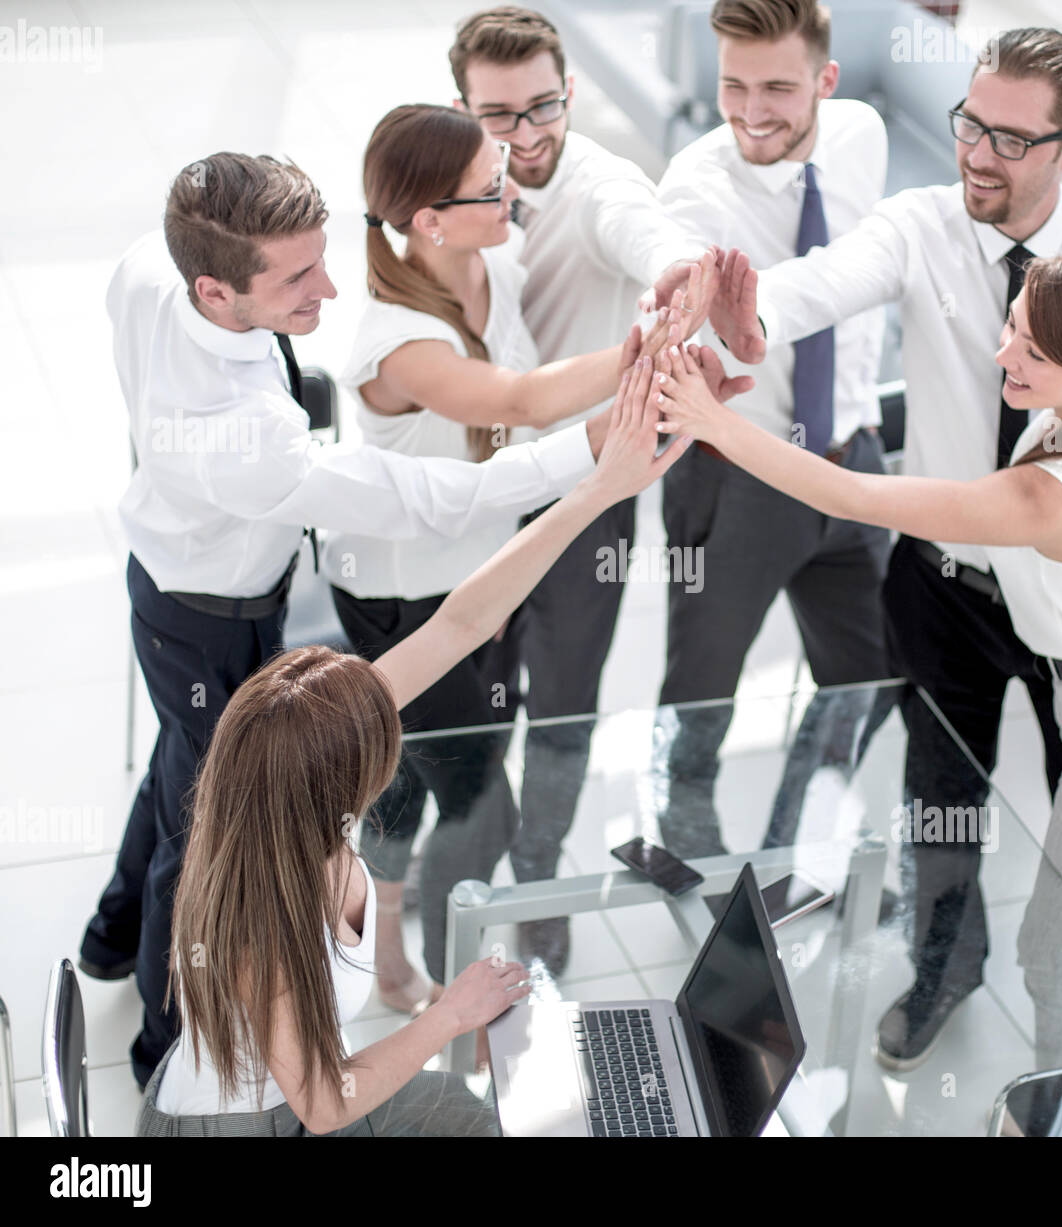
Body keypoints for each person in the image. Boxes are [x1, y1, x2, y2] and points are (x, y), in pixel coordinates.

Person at [653, 26, 1062, 1071]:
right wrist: (744, 307)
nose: (976, 154)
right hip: (943, 588)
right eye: (968, 124)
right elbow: (813, 283)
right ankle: (944, 969)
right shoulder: (918, 223)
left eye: (1009, 138)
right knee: (940, 806)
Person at [81, 151, 655, 1090]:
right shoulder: (247, 443)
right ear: (217, 289)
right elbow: (435, 495)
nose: (332, 286)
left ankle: (107, 937)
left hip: (166, 584)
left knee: (179, 761)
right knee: (201, 830)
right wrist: (589, 455)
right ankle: (165, 1041)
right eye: (300, 277)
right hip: (214, 618)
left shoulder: (151, 265)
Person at [137, 355, 692, 1136]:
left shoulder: (280, 777)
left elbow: (460, 622)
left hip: (290, 1089)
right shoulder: (270, 910)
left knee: (472, 1114)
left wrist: (601, 485)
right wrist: (453, 1012)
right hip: (250, 1125)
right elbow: (323, 1105)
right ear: (344, 778)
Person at [324, 103, 712, 1011]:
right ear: (429, 220)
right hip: (407, 597)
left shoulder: (494, 256)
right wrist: (647, 353)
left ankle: (387, 952)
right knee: (463, 791)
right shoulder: (398, 342)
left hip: (475, 576)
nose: (514, 189)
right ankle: (423, 959)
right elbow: (521, 399)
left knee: (420, 777)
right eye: (492, 187)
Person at [449, 7, 738, 973]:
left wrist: (675, 278)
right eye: (499, 117)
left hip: (586, 485)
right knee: (470, 687)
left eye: (544, 108)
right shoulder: (446, 180)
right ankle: (468, 859)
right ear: (462, 109)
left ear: (570, 91)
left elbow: (646, 231)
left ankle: (536, 879)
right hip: (473, 483)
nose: (526, 138)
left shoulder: (603, 182)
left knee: (564, 701)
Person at [650, 0, 892, 859]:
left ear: (825, 81)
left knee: (871, 680)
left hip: (853, 462)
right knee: (701, 694)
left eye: (779, 88)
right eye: (733, 86)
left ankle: (794, 852)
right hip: (738, 480)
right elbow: (668, 257)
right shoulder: (695, 187)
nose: (752, 111)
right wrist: (676, 303)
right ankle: (691, 862)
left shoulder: (862, 136)